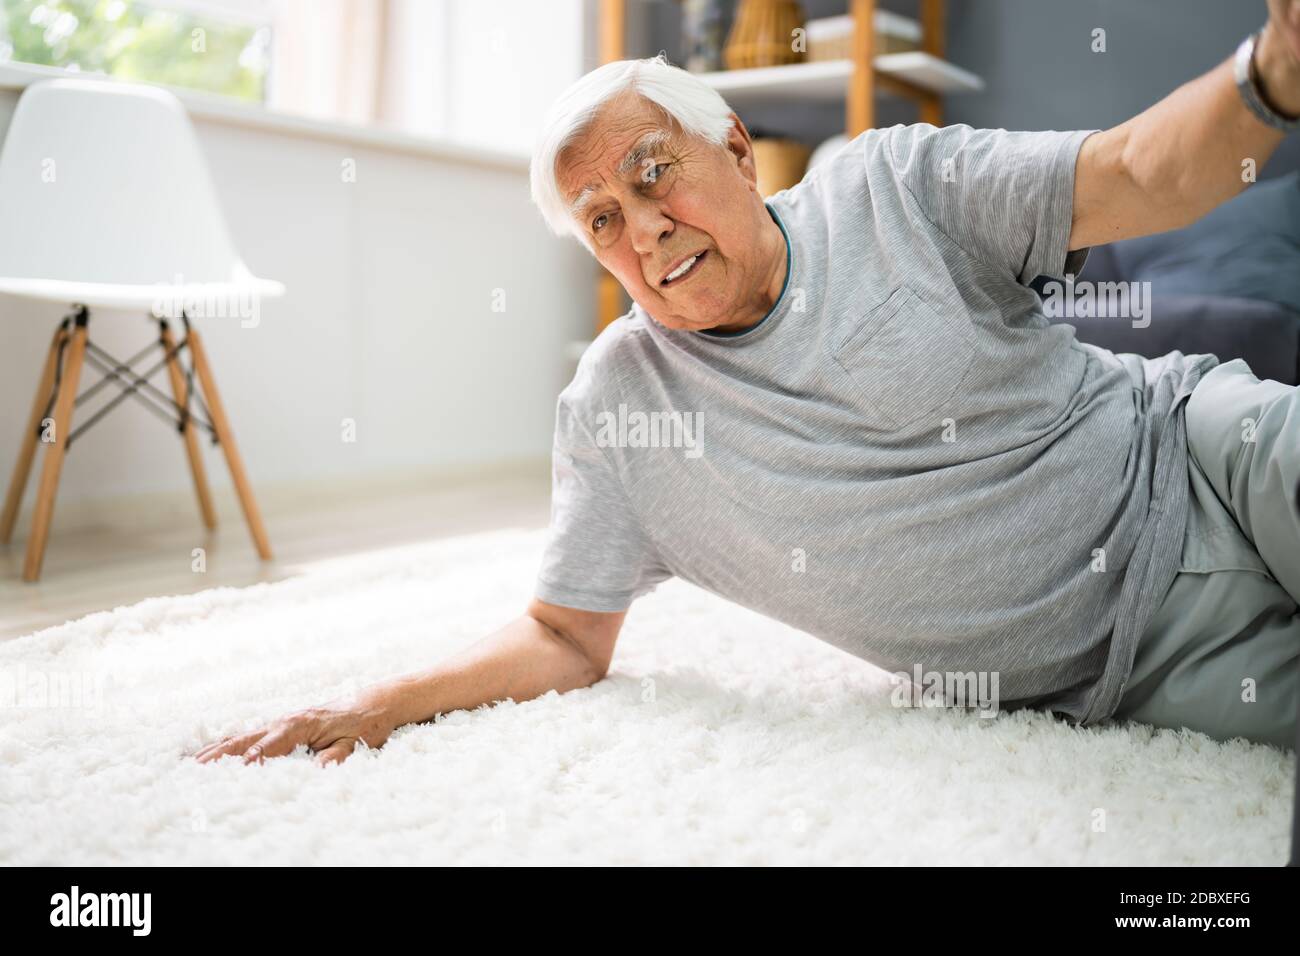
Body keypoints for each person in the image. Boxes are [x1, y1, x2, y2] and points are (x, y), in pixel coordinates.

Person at [194, 6, 1300, 767]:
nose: (645, 231)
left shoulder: (895, 183)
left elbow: (1133, 174)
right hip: (1136, 663)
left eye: (651, 173)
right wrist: (372, 704)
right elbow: (566, 637)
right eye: (603, 224)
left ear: (734, 145)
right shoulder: (618, 410)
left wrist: (1268, 77)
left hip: (1208, 454)